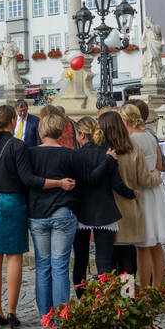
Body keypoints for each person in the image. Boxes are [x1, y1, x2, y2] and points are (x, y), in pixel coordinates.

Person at [0, 103, 74, 329]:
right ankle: (12, 311)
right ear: (12, 122)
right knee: (14, 257)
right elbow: (28, 179)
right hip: (14, 203)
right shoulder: (19, 146)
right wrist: (58, 183)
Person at [26, 110, 120, 319]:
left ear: (41, 130)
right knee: (60, 265)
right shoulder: (70, 154)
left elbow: (27, 181)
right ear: (60, 131)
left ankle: (45, 314)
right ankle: (63, 314)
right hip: (63, 212)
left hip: (38, 213)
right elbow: (87, 179)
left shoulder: (31, 153)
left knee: (43, 265)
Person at [71, 115, 135, 295]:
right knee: (105, 260)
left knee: (81, 260)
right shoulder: (108, 154)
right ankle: (110, 299)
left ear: (82, 135)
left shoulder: (76, 156)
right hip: (105, 210)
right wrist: (133, 194)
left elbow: (80, 183)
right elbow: (117, 184)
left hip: (81, 211)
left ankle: (82, 298)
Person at [103, 109, 161, 285]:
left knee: (108, 262)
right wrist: (157, 175)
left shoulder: (103, 153)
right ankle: (126, 301)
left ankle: (110, 299)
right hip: (129, 211)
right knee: (127, 263)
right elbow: (145, 179)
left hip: (107, 212)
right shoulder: (132, 151)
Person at [121, 103, 165, 287]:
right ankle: (158, 286)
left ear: (126, 120)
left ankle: (145, 289)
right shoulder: (150, 136)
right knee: (156, 243)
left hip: (141, 191)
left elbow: (134, 171)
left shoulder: (132, 140)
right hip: (155, 189)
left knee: (142, 245)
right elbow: (160, 164)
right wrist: (156, 176)